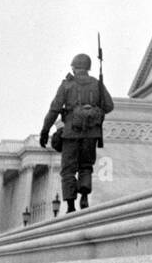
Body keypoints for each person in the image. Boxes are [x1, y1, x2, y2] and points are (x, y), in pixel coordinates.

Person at [39, 53, 114, 211]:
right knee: (86, 166)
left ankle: (71, 205)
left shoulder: (67, 84)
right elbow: (109, 106)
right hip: (91, 134)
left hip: (71, 133)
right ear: (88, 68)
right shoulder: (96, 83)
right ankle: (84, 197)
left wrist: (45, 130)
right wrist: (94, 108)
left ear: (74, 67)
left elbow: (54, 109)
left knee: (68, 169)